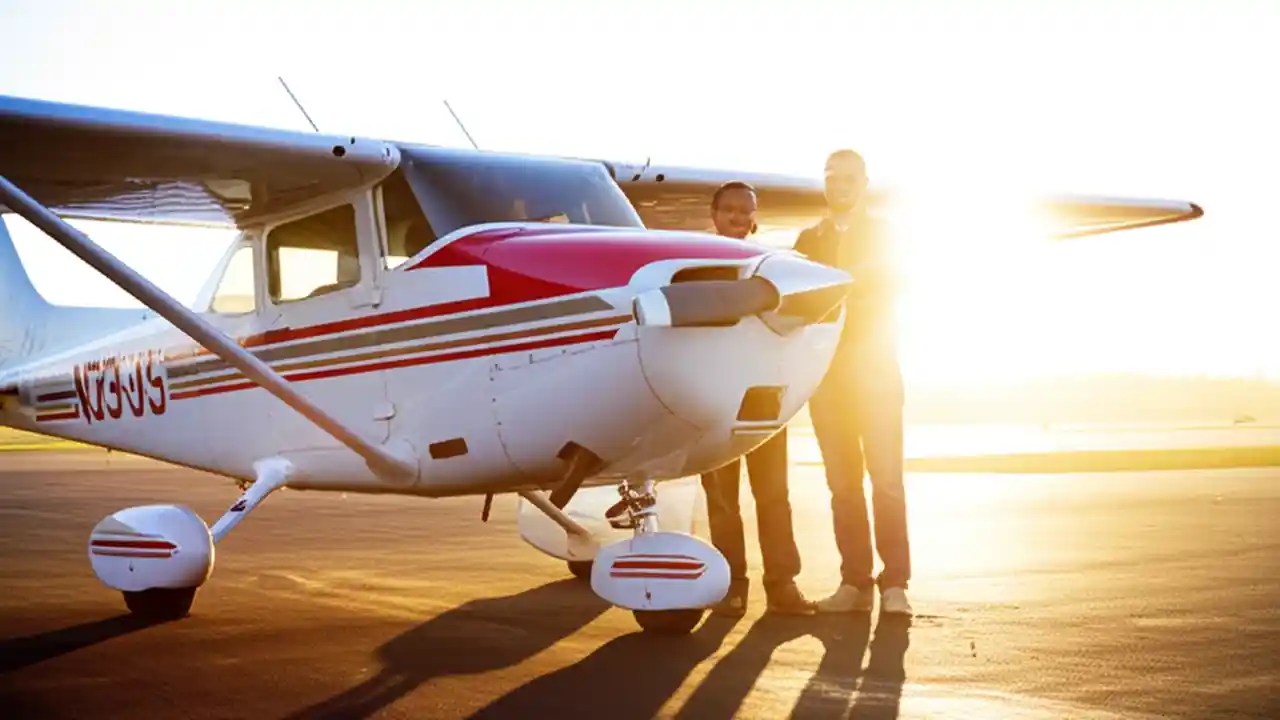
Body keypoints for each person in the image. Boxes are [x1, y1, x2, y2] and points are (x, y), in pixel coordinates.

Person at [795, 150, 913, 616]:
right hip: (828, 380)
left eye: (848, 177)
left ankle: (896, 584)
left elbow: (894, 282)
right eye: (831, 177)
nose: (840, 184)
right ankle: (855, 582)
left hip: (877, 375)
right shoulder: (808, 240)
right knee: (842, 485)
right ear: (825, 184)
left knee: (886, 483)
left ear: (864, 182)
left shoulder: (886, 235)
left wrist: (846, 283)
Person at [700, 181, 815, 618]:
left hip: (764, 400)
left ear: (755, 218)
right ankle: (731, 585)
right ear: (713, 216)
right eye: (728, 210)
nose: (736, 217)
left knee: (774, 494)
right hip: (712, 401)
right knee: (722, 498)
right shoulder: (699, 267)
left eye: (744, 211)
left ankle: (782, 584)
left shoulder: (772, 267)